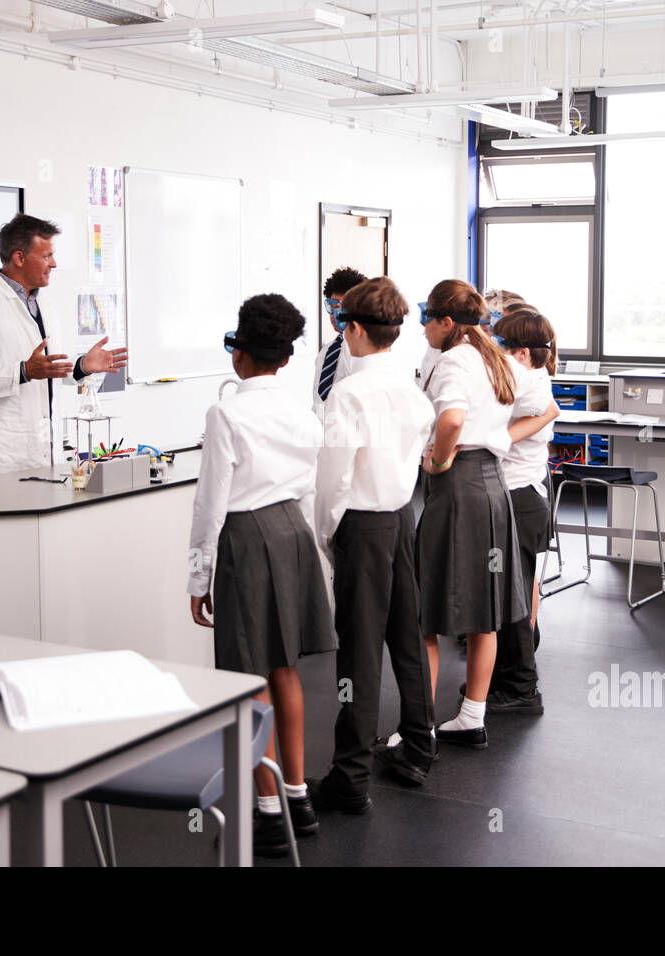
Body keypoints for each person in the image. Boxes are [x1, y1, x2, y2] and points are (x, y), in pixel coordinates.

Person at [187, 293, 336, 858]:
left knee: (248, 679)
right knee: (285, 668)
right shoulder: (304, 412)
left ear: (238, 355)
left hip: (246, 540)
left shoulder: (226, 413)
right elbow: (310, 488)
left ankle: (269, 810)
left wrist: (197, 577)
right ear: (288, 358)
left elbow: (210, 505)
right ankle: (298, 794)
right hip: (293, 533)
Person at [310, 277, 437, 811]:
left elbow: (334, 475)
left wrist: (324, 531)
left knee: (358, 654)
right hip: (402, 519)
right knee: (406, 638)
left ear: (355, 329)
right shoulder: (412, 390)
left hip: (362, 525)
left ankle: (352, 774)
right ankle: (418, 745)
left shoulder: (349, 392)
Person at [415, 279, 529, 751]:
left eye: (427, 317)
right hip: (491, 485)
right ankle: (472, 716)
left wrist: (439, 459)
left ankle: (417, 726)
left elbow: (453, 420)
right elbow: (528, 413)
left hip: (457, 483)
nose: (421, 327)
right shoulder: (494, 356)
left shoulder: (455, 359)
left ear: (446, 321)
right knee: (484, 612)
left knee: (423, 615)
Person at [0, 213, 127, 480]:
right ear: (19, 258)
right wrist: (23, 371)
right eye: (46, 256)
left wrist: (81, 366)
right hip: (0, 458)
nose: (53, 264)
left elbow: (46, 369)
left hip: (46, 451)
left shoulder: (44, 304)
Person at [488, 309, 561, 714]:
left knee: (513, 598)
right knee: (510, 595)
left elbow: (539, 410)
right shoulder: (530, 378)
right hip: (522, 496)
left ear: (519, 351)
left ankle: (522, 689)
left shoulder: (524, 382)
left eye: (499, 344)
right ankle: (504, 678)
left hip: (519, 498)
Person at [312, 267, 367, 420]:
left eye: (342, 307)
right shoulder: (326, 352)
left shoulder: (363, 352)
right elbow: (318, 402)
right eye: (332, 306)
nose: (335, 314)